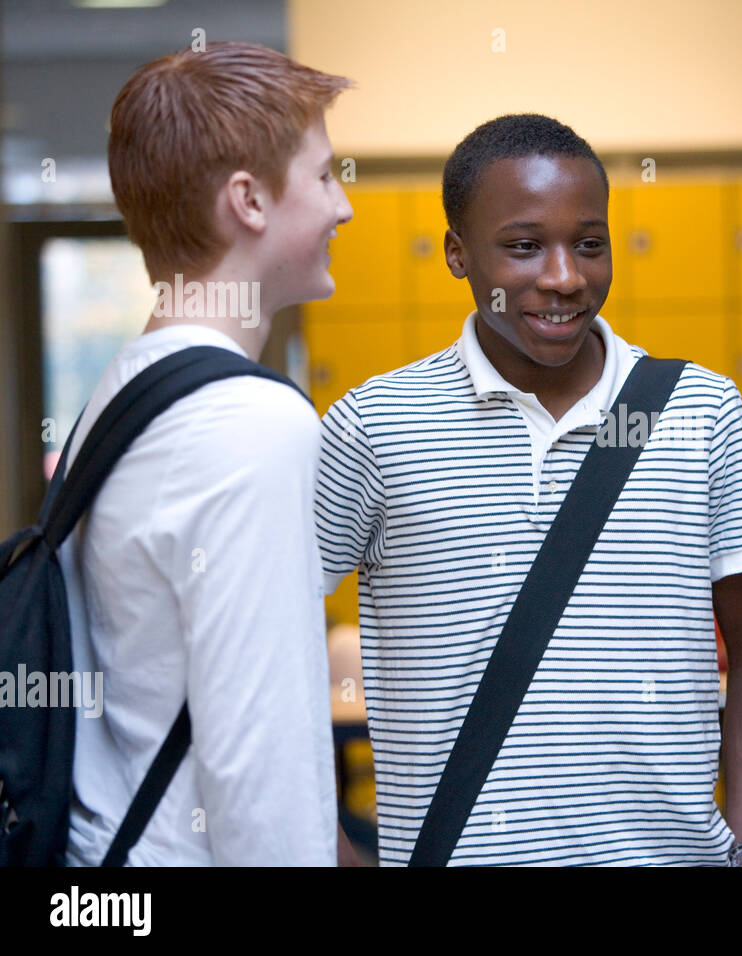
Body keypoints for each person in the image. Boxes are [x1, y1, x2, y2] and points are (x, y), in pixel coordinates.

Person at [315, 113, 742, 866]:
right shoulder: (376, 426)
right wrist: (331, 847)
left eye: (590, 243)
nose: (565, 277)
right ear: (457, 254)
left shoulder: (700, 409)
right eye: (524, 245)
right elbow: (266, 636)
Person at [62, 42, 353, 865]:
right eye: (326, 175)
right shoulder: (249, 422)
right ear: (249, 201)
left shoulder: (125, 389)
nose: (344, 207)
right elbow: (264, 771)